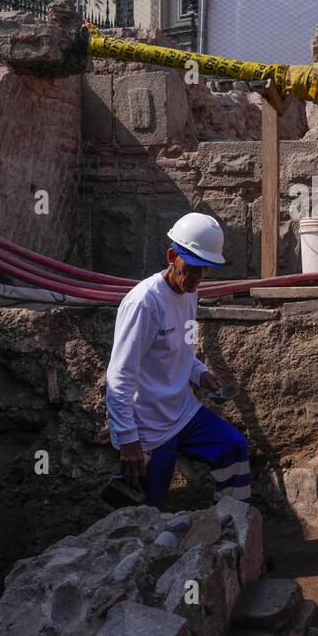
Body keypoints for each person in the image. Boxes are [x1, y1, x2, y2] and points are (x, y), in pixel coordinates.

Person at [104, 212, 250, 508]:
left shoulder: (190, 294)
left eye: (205, 271)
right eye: (192, 268)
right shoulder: (144, 303)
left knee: (233, 448)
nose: (197, 278)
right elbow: (119, 376)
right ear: (172, 256)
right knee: (148, 511)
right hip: (148, 427)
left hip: (183, 412)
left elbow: (183, 348)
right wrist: (128, 438)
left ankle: (235, 527)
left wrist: (200, 373)